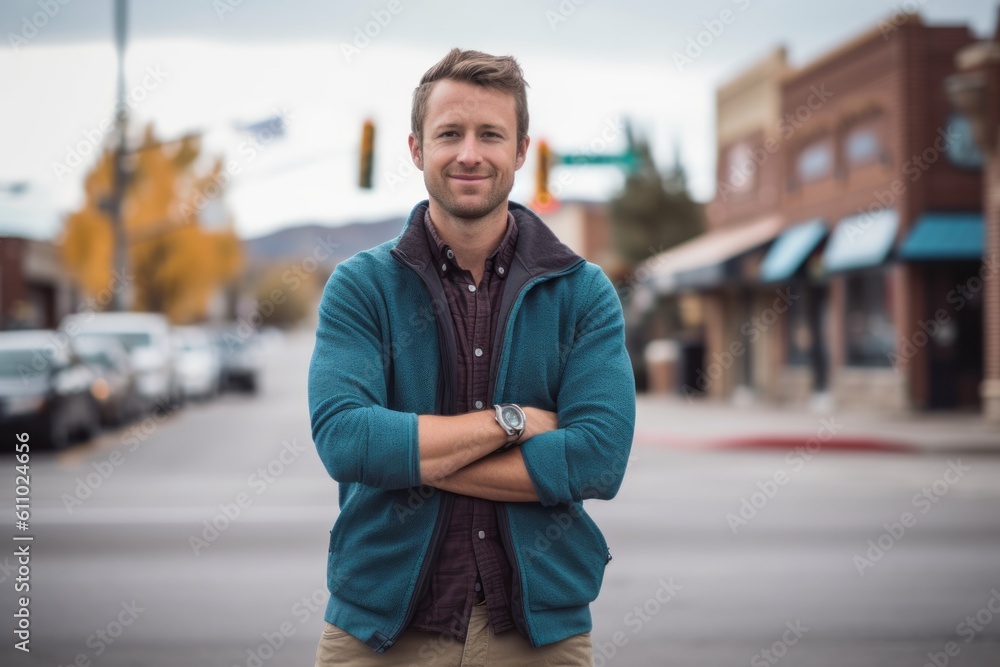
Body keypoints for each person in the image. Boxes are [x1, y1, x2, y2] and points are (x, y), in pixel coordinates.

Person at [308, 47, 636, 666]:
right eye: (449, 134)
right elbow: (346, 442)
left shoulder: (582, 291)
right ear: (414, 149)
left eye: (490, 134)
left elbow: (598, 459)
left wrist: (408, 455)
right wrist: (509, 423)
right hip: (380, 631)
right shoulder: (360, 287)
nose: (469, 154)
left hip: (537, 634)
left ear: (520, 150)